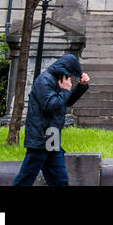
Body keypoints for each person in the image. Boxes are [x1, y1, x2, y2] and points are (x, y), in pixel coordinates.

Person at [13, 53, 91, 186]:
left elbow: (66, 102)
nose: (70, 78)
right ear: (64, 70)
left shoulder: (59, 80)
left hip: (52, 137)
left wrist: (81, 86)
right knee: (26, 178)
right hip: (40, 137)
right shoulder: (44, 81)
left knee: (60, 181)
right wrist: (65, 91)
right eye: (70, 74)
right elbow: (51, 105)